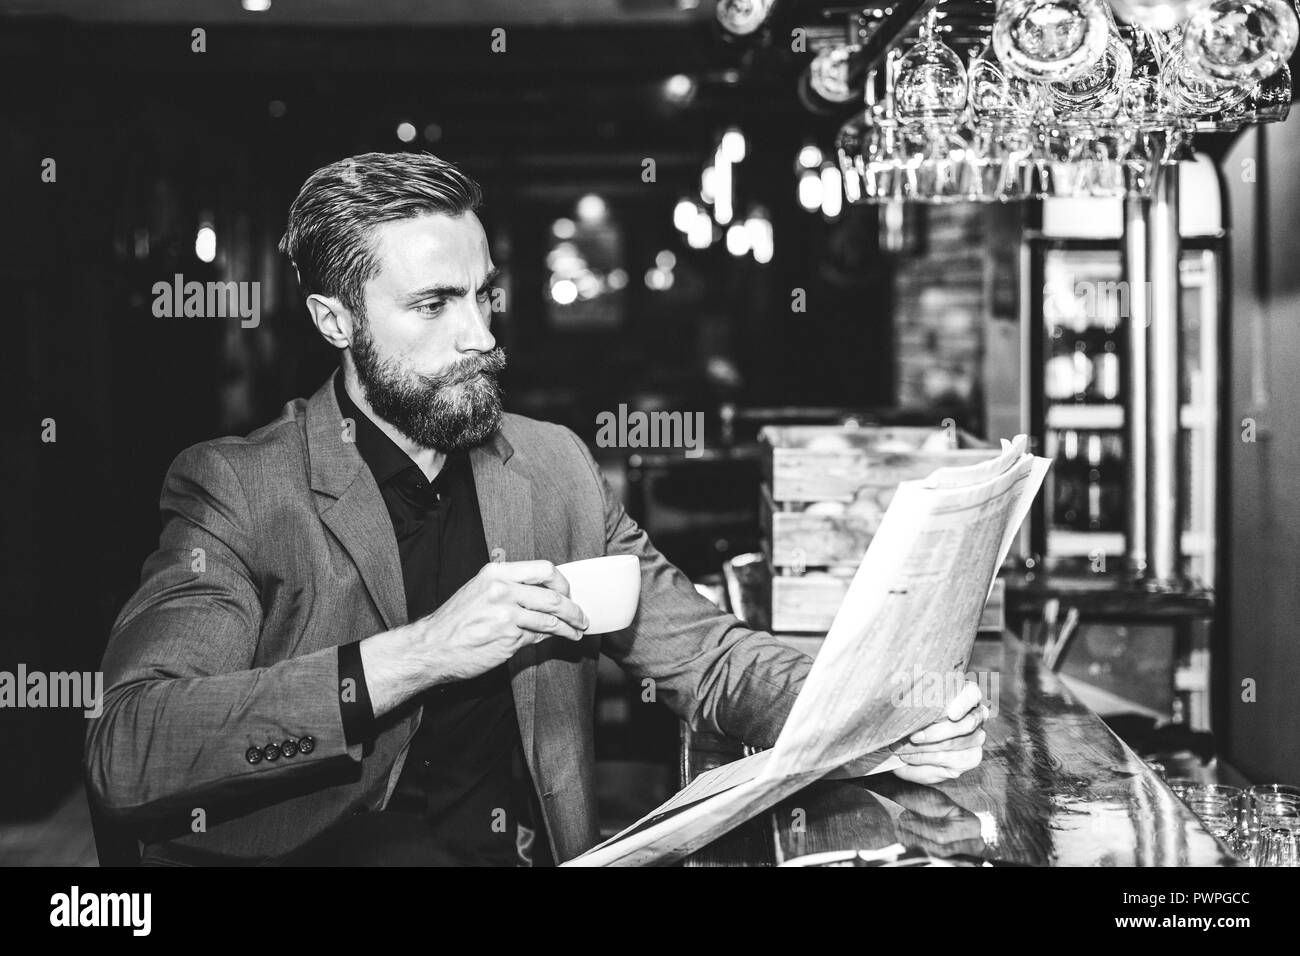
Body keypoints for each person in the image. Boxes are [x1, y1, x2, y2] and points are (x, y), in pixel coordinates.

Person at [84, 152, 987, 866]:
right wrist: (421, 654)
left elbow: (708, 658)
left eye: (483, 297)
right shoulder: (240, 488)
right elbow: (131, 748)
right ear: (334, 321)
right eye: (432, 305)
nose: (479, 335)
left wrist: (877, 716)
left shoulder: (551, 468)